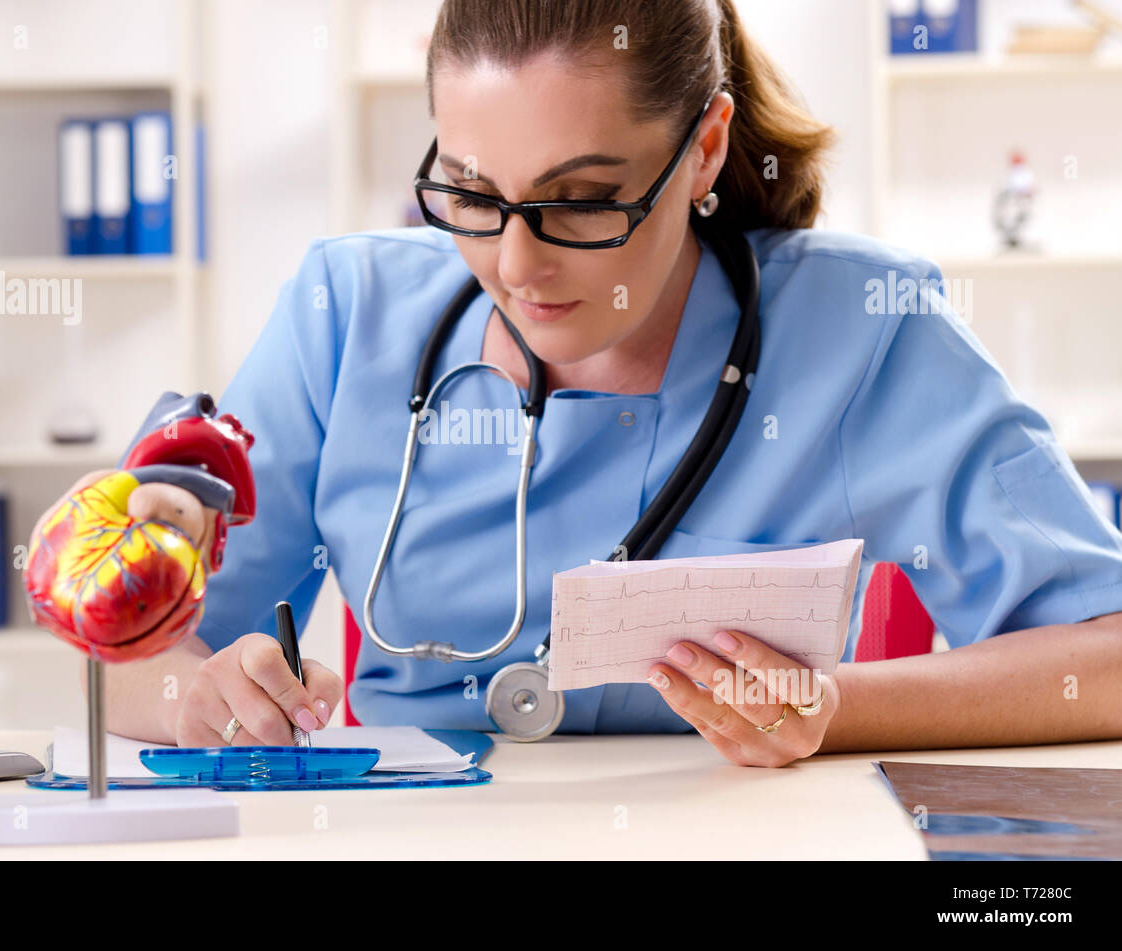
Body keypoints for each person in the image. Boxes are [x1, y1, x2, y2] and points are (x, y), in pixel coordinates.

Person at [54, 0, 1122, 767]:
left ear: (704, 150)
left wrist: (832, 708)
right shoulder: (349, 311)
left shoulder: (861, 325)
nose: (517, 265)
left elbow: (1104, 658)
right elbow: (139, 649)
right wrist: (202, 695)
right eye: (469, 192)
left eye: (581, 201)